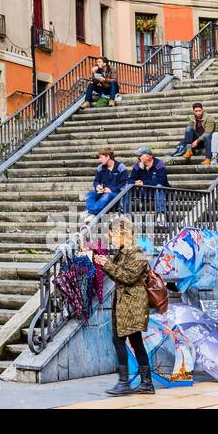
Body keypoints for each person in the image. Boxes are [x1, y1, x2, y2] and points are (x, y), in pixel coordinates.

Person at [92, 215, 154, 396]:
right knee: (134, 341)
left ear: (122, 233)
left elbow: (128, 277)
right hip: (125, 303)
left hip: (133, 304)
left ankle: (124, 382)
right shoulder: (124, 251)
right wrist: (105, 265)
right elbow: (118, 276)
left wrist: (108, 265)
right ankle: (146, 383)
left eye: (111, 234)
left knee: (119, 339)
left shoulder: (137, 253)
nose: (110, 238)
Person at [86, 147, 129, 218]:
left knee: (107, 196)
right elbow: (96, 181)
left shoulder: (121, 167)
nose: (99, 160)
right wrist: (97, 186)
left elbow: (124, 184)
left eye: (101, 157)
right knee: (89, 194)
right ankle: (92, 211)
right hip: (103, 191)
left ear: (108, 157)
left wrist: (111, 190)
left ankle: (92, 211)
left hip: (116, 193)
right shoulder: (100, 168)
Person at [127, 145, 169, 215]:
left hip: (160, 192)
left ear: (148, 156)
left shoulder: (159, 164)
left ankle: (161, 214)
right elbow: (130, 180)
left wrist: (143, 183)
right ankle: (124, 213)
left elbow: (160, 180)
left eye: (140, 155)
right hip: (144, 192)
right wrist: (135, 182)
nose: (138, 157)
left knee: (158, 186)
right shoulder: (138, 166)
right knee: (127, 188)